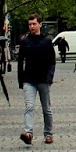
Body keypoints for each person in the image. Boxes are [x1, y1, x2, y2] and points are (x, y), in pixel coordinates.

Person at [18, 13, 57, 144]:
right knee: (29, 106)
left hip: (43, 79)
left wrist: (49, 78)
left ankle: (48, 133)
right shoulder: (25, 42)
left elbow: (52, 62)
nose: (32, 26)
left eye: (34, 24)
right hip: (29, 79)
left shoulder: (46, 42)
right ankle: (28, 132)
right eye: (30, 24)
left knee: (46, 108)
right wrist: (20, 80)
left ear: (40, 24)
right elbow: (20, 61)